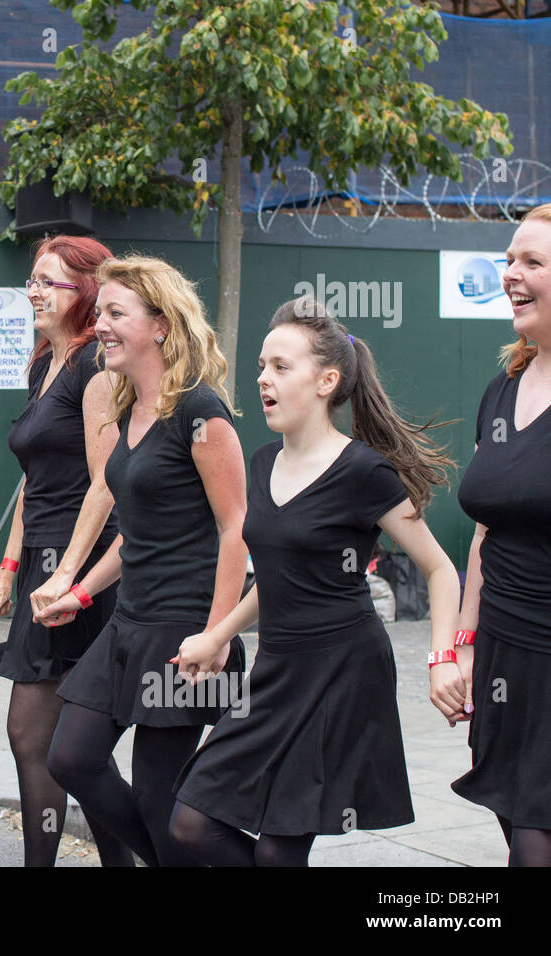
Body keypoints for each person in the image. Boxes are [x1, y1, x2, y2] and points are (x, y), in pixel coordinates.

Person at [167, 296, 460, 866]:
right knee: (191, 824)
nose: (263, 380)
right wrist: (218, 635)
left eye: (281, 367)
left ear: (327, 380)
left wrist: (442, 657)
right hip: (275, 670)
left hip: (342, 670)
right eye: (260, 367)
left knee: (280, 850)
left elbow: (441, 568)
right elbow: (277, 578)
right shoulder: (259, 463)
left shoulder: (363, 472)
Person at [38, 255, 248, 868]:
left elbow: (237, 527)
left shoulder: (200, 411)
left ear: (160, 325)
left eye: (114, 313)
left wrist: (216, 634)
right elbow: (138, 535)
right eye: (99, 311)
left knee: (161, 797)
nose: (98, 324)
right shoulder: (129, 409)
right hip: (127, 621)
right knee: (70, 758)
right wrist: (79, 592)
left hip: (182, 627)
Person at [0, 235, 125, 867]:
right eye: (32, 281)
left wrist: (69, 574)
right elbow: (34, 482)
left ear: (85, 290)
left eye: (48, 282)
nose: (33, 292)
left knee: (39, 735)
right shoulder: (45, 364)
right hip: (42, 562)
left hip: (84, 569)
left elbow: (106, 481)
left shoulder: (95, 365)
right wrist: (9, 569)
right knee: (61, 744)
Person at [452, 201, 551, 867]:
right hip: (502, 655)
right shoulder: (503, 386)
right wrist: (463, 643)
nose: (509, 273)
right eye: (508, 259)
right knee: (515, 819)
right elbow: (485, 528)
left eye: (532, 262)